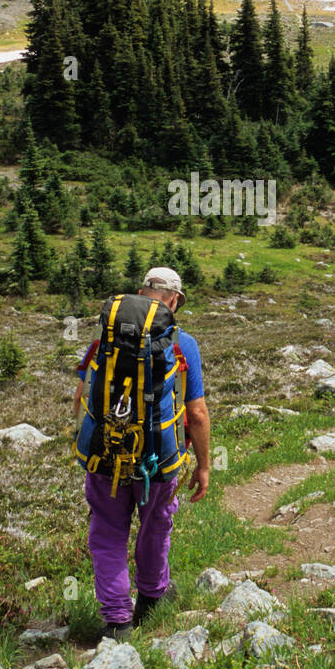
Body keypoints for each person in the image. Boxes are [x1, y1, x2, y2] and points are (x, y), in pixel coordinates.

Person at [72, 267, 210, 640]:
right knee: (155, 527)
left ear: (140, 291)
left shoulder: (106, 336)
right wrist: (204, 466)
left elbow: (82, 395)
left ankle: (118, 621)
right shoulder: (184, 343)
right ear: (176, 301)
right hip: (159, 460)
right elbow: (196, 413)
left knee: (108, 532)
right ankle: (151, 600)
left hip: (106, 455)